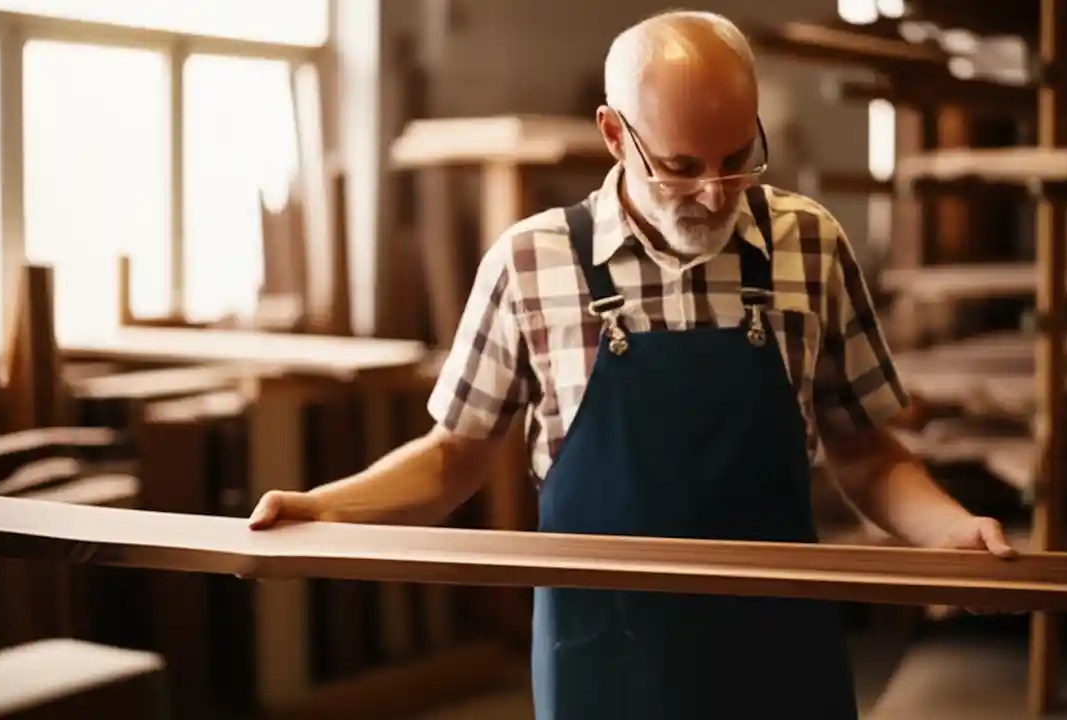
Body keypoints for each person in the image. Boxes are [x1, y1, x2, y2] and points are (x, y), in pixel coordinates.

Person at [248, 10, 1016, 719]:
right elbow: (454, 457)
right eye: (681, 167)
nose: (716, 195)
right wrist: (325, 510)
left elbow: (866, 452)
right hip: (603, 656)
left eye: (738, 158)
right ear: (615, 134)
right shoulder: (530, 264)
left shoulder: (808, 245)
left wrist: (950, 532)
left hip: (778, 651)